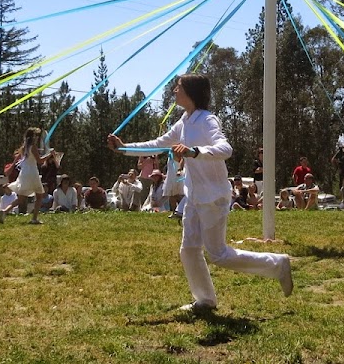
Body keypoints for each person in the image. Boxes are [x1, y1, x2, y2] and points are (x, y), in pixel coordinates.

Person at [107, 73, 292, 313]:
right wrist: (123, 149)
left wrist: (195, 151)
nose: (174, 90)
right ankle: (205, 300)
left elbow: (225, 148)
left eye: (179, 87)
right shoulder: (184, 121)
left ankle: (278, 265)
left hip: (213, 197)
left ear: (191, 92)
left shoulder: (207, 120)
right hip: (193, 197)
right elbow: (158, 144)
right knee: (189, 249)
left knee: (219, 254)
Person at [7, 127, 51, 224]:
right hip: (32, 172)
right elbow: (39, 161)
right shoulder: (33, 147)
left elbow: (20, 160)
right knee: (39, 196)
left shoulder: (23, 148)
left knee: (21, 198)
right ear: (33, 136)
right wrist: (49, 155)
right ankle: (34, 218)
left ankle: (5, 210)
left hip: (24, 173)